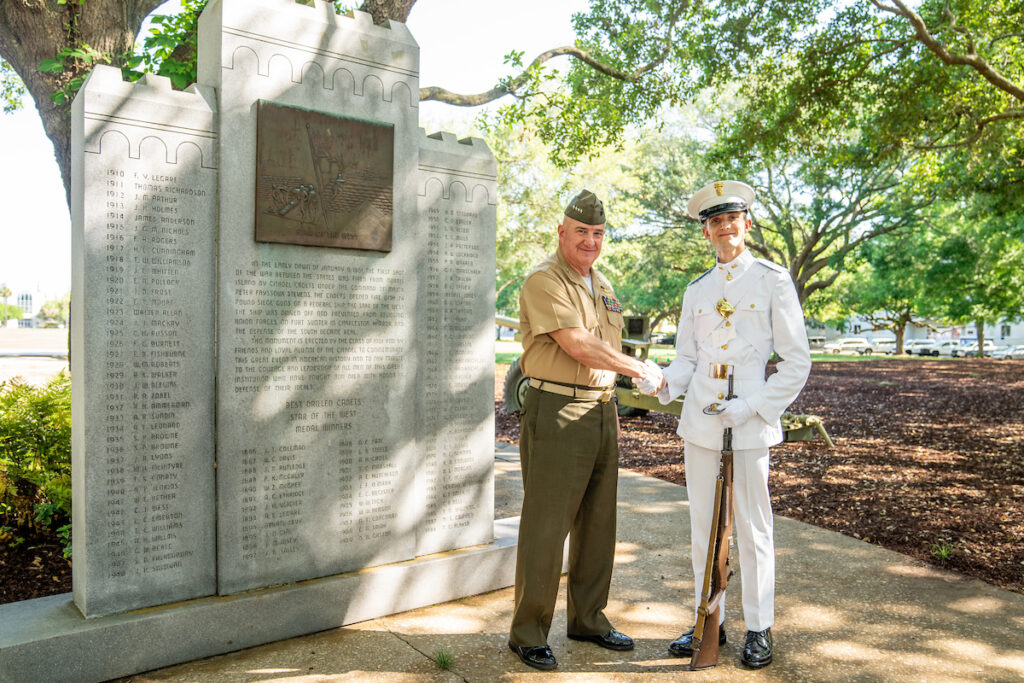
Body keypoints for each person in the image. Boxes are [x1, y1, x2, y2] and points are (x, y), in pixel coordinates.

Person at [641, 180, 810, 669]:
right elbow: (686, 360)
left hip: (750, 422)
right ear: (706, 231)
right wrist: (662, 381)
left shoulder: (773, 279)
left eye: (731, 219)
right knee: (703, 527)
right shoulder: (697, 289)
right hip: (702, 422)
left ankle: (759, 626)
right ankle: (708, 616)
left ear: (746, 224)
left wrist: (756, 405)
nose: (723, 228)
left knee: (753, 527)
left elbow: (797, 363)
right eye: (714, 221)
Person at [507, 189, 663, 671]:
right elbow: (577, 345)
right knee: (546, 528)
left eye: (597, 234)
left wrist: (618, 389)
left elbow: (600, 349)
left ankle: (589, 619)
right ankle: (528, 631)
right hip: (557, 412)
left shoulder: (603, 284)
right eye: (581, 232)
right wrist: (639, 370)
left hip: (601, 411)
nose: (590, 241)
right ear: (562, 232)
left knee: (598, 524)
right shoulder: (543, 280)